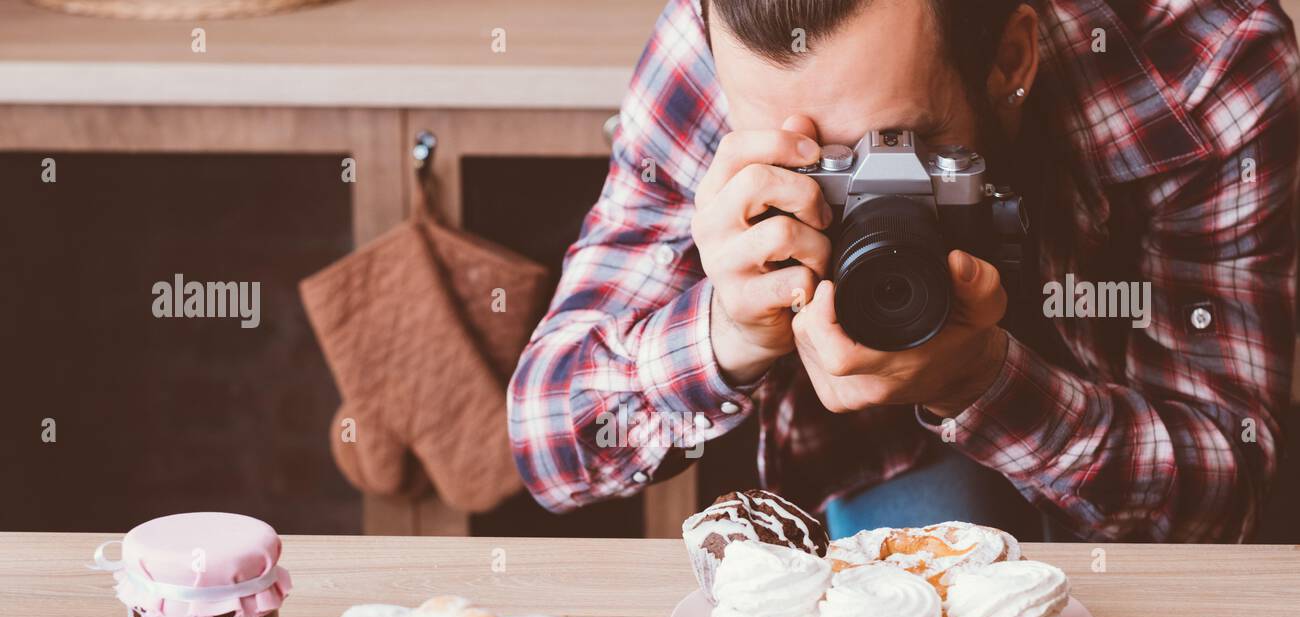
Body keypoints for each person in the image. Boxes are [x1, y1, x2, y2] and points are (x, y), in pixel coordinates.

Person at [508, 0, 1299, 542]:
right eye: (811, 164)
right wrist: (726, 332)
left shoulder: (1205, 64)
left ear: (1011, 56)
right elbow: (547, 439)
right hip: (869, 470)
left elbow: (1226, 494)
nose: (866, 196)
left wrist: (983, 386)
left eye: (896, 151)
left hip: (1123, 463)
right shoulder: (716, 43)